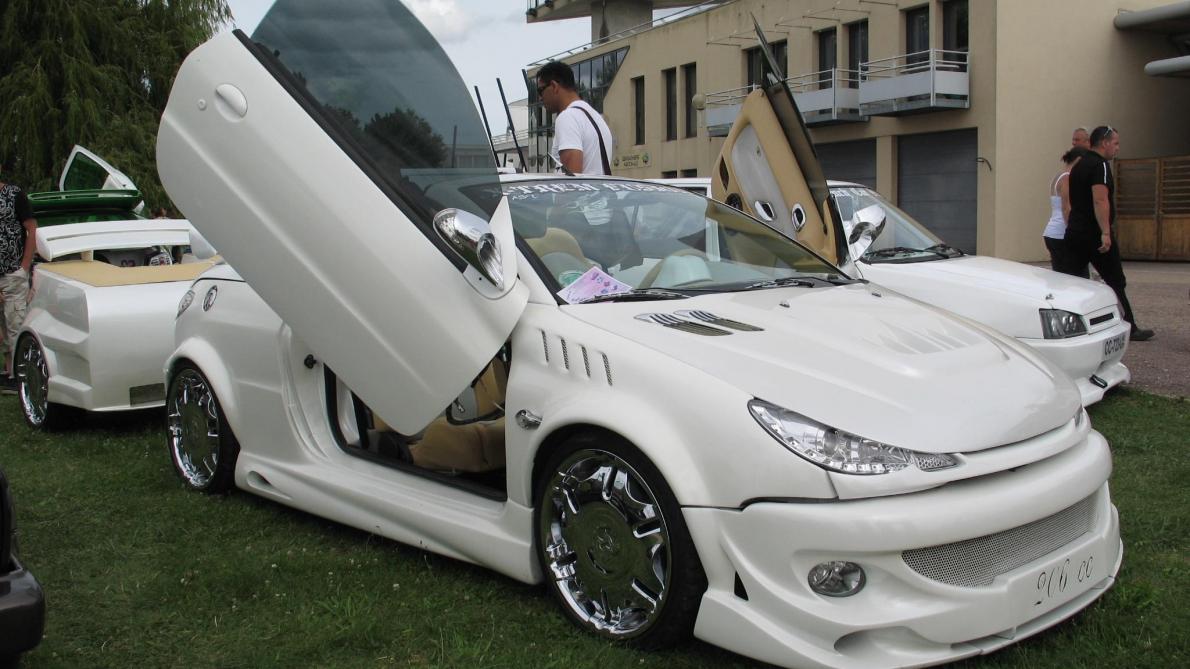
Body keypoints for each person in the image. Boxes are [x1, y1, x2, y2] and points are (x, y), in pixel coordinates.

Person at [1063, 126, 1154, 341]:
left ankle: (1069, 327)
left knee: (1071, 282)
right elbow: (1100, 199)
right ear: (1104, 143)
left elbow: (1071, 201)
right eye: (1115, 143)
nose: (1117, 148)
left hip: (1075, 232)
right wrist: (1105, 232)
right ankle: (1129, 326)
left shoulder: (1079, 165)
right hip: (1094, 235)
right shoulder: (1100, 165)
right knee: (1115, 280)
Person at [535, 61, 614, 176]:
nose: (540, 98)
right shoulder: (596, 117)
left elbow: (571, 181)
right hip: (599, 192)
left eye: (540, 91)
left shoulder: (567, 117)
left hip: (581, 194)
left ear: (554, 86)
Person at [0, 170, 38, 392]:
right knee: (4, 328)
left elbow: (31, 229)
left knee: (16, 324)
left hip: (13, 274)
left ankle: (19, 376)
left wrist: (24, 267)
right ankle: (8, 372)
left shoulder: (15, 195)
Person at [1043, 146, 1087, 272]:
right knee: (1077, 276)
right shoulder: (1067, 178)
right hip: (1061, 234)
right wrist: (1073, 233)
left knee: (1060, 276)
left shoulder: (1058, 176)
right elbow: (1067, 208)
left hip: (1053, 233)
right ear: (1078, 160)